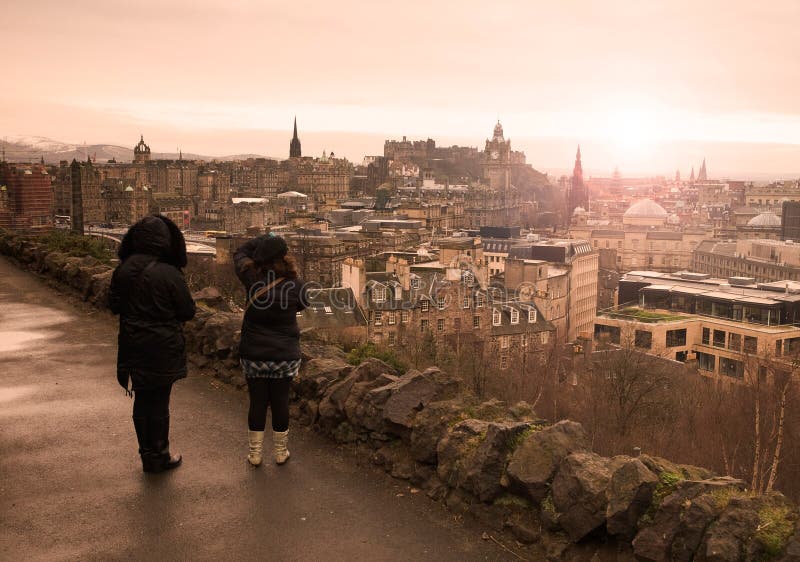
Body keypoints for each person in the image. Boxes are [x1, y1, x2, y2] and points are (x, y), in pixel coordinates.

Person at [110, 215, 196, 473]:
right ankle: (158, 455)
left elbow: (113, 305)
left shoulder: (123, 269)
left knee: (142, 398)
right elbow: (187, 311)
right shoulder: (168, 272)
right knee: (159, 402)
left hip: (133, 343)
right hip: (162, 345)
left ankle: (147, 453)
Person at [234, 233, 307, 467]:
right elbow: (304, 304)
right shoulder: (296, 285)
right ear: (285, 258)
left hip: (253, 353)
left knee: (257, 402)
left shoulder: (251, 278)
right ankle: (280, 452)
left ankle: (255, 454)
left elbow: (239, 253)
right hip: (284, 355)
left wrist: (261, 241)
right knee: (280, 402)